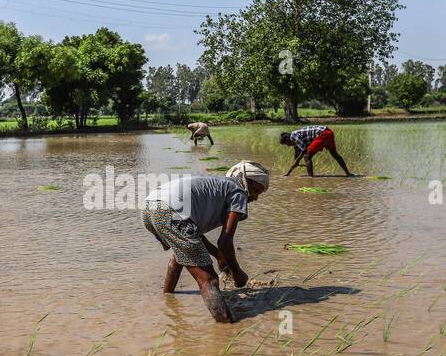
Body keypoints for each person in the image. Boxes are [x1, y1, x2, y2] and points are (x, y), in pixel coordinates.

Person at [141, 161, 269, 323]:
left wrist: (218, 255)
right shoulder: (238, 192)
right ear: (244, 180)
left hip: (149, 208)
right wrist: (237, 272)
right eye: (256, 191)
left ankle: (168, 299)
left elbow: (194, 235)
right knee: (208, 279)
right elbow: (225, 241)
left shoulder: (218, 187)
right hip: (170, 210)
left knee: (181, 253)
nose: (255, 198)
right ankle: (227, 329)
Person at [281, 124, 352, 177]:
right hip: (328, 132)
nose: (287, 146)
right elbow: (297, 152)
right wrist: (294, 163)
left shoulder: (293, 136)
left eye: (286, 144)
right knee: (334, 154)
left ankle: (310, 178)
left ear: (287, 139)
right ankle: (348, 173)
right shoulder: (295, 138)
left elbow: (304, 149)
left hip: (323, 134)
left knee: (307, 156)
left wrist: (297, 161)